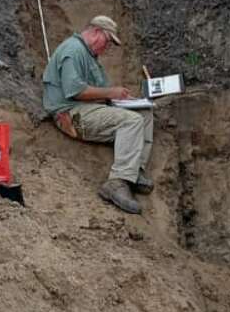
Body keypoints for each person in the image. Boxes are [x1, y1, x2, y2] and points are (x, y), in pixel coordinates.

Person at [41, 15, 154, 215]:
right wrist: (111, 93)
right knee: (132, 121)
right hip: (71, 114)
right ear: (95, 32)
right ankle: (117, 182)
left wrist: (122, 99)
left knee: (144, 112)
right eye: (107, 41)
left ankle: (135, 170)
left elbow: (98, 91)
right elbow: (74, 91)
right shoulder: (73, 50)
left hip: (85, 109)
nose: (107, 47)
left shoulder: (88, 56)